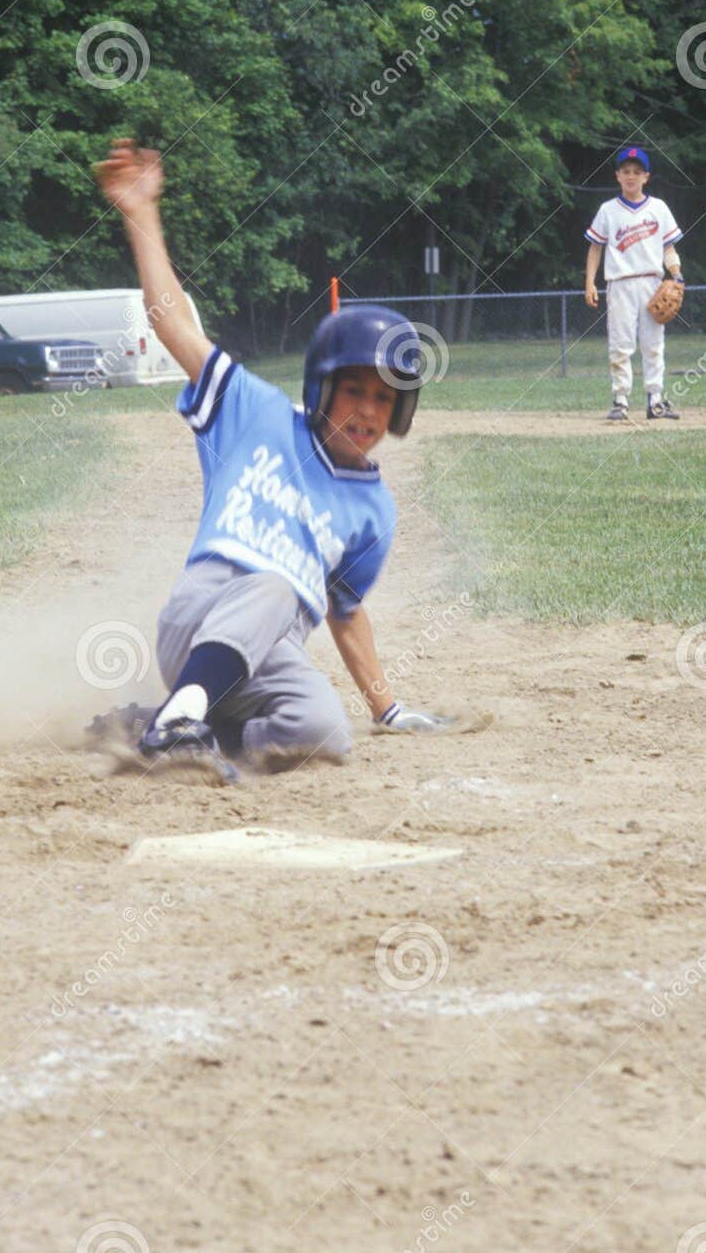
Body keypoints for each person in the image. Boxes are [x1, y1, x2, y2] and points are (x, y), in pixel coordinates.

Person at [93, 138, 451, 779]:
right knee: (278, 583)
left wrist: (387, 708)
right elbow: (174, 324)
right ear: (321, 386)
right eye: (354, 390)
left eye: (383, 398)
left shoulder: (375, 512)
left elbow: (345, 612)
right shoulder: (255, 413)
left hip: (272, 652)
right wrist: (140, 213)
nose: (368, 411)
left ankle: (166, 720)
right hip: (204, 612)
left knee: (322, 733)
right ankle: (178, 720)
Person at [584, 146, 684, 420]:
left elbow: (669, 249)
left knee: (653, 343)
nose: (631, 176)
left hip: (652, 282)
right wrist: (590, 283)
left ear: (646, 177)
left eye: (637, 172)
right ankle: (621, 401)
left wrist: (676, 274)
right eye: (626, 171)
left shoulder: (658, 209)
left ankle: (655, 401)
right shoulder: (608, 210)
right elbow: (595, 248)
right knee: (620, 343)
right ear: (617, 176)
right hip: (620, 284)